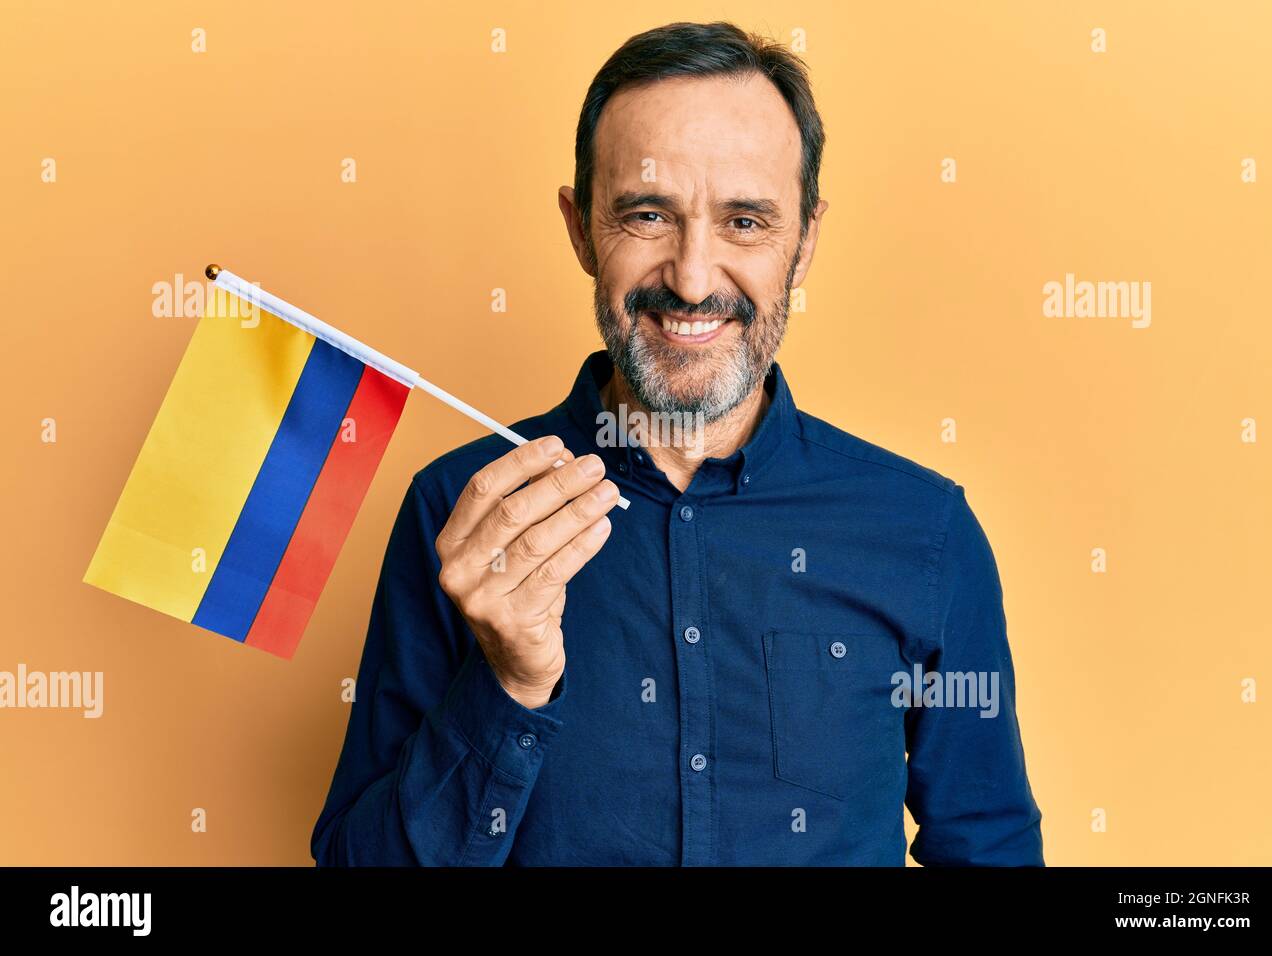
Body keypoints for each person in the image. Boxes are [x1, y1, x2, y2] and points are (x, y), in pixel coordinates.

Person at [311, 20, 1044, 866]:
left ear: (805, 241)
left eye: (745, 221)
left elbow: (991, 849)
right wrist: (509, 684)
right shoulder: (467, 513)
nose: (693, 279)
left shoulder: (925, 531)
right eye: (648, 215)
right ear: (580, 229)